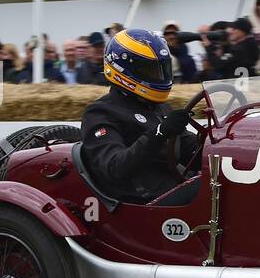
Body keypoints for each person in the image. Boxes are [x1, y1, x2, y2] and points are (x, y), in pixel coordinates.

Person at [80, 28, 192, 204]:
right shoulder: (100, 113)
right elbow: (115, 168)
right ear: (125, 69)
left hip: (175, 188)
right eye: (152, 70)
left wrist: (217, 139)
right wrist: (160, 133)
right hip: (141, 201)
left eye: (163, 69)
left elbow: (187, 148)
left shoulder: (159, 107)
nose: (160, 76)